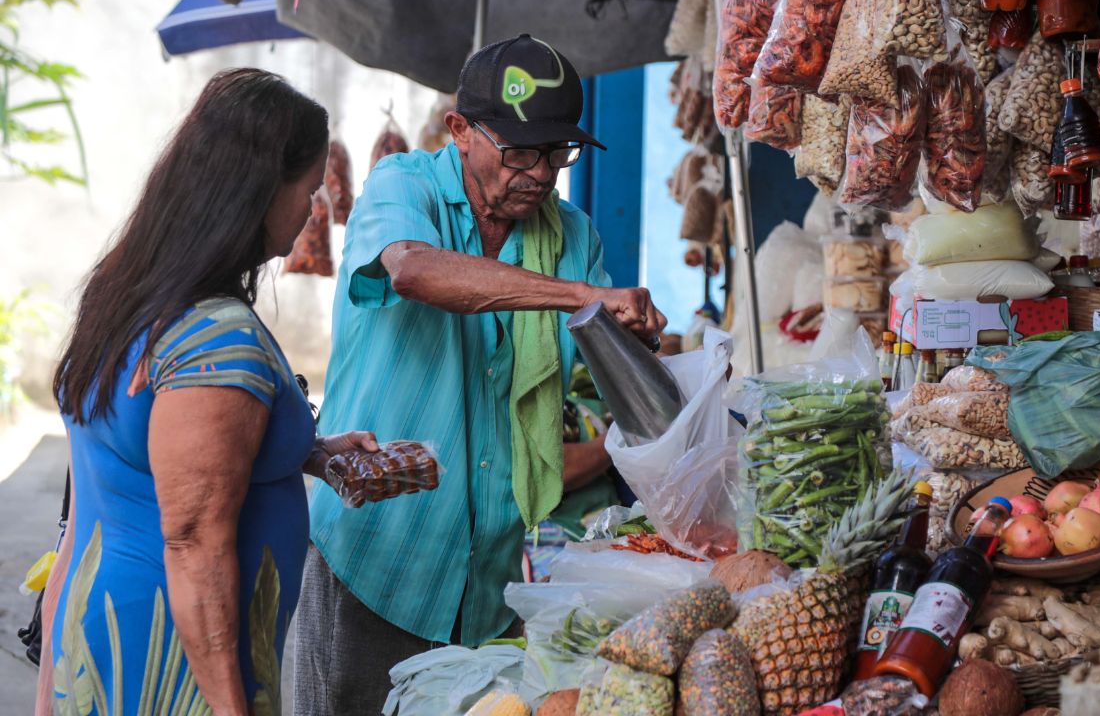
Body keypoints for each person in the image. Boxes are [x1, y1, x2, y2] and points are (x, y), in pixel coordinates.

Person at [293, 35, 666, 714]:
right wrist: (578, 296)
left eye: (558, 153)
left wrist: (641, 344)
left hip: (492, 580)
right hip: (378, 562)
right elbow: (412, 271)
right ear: (459, 131)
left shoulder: (573, 238)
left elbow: (611, 371)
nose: (542, 173)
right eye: (521, 151)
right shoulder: (403, 185)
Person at [37, 68, 379, 716]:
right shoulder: (216, 340)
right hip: (175, 666)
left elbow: (101, 497)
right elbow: (193, 543)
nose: (312, 211)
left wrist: (307, 450)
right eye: (307, 192)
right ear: (258, 192)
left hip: (92, 634)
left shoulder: (125, 296)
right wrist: (231, 707)